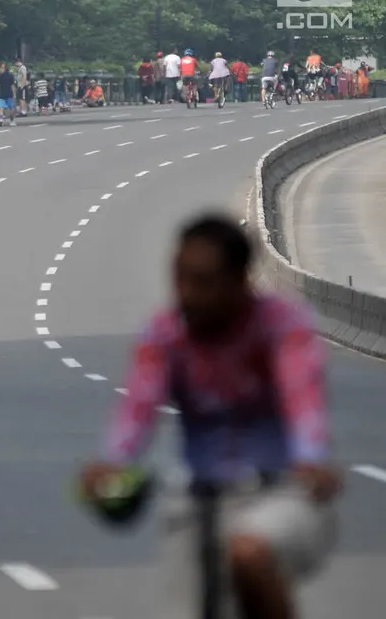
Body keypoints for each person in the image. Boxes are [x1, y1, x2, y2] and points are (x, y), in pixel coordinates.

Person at [79, 214, 339, 619]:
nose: (187, 294)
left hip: (284, 493)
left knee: (249, 552)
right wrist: (114, 464)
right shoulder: (166, 335)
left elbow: (302, 395)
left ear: (240, 281)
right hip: (200, 502)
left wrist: (311, 457)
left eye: (203, 282)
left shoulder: (281, 326)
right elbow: (138, 409)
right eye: (180, 278)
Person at [0, 62, 16, 126]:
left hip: (2, 93)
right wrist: (14, 93)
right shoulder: (11, 75)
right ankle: (12, 121)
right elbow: (12, 85)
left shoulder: (0, 75)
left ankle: (1, 119)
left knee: (1, 107)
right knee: (11, 107)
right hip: (9, 93)